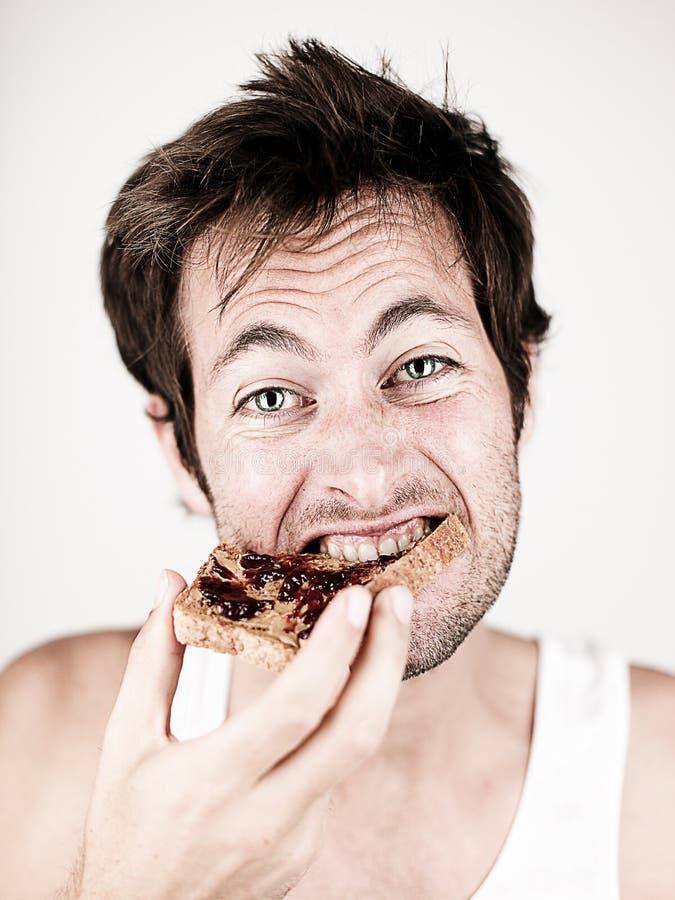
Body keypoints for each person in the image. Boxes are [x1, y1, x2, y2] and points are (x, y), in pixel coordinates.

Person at [1, 37, 673, 899]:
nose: (363, 475)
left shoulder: (657, 771)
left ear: (521, 387)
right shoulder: (42, 737)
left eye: (420, 365)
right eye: (272, 396)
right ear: (181, 452)